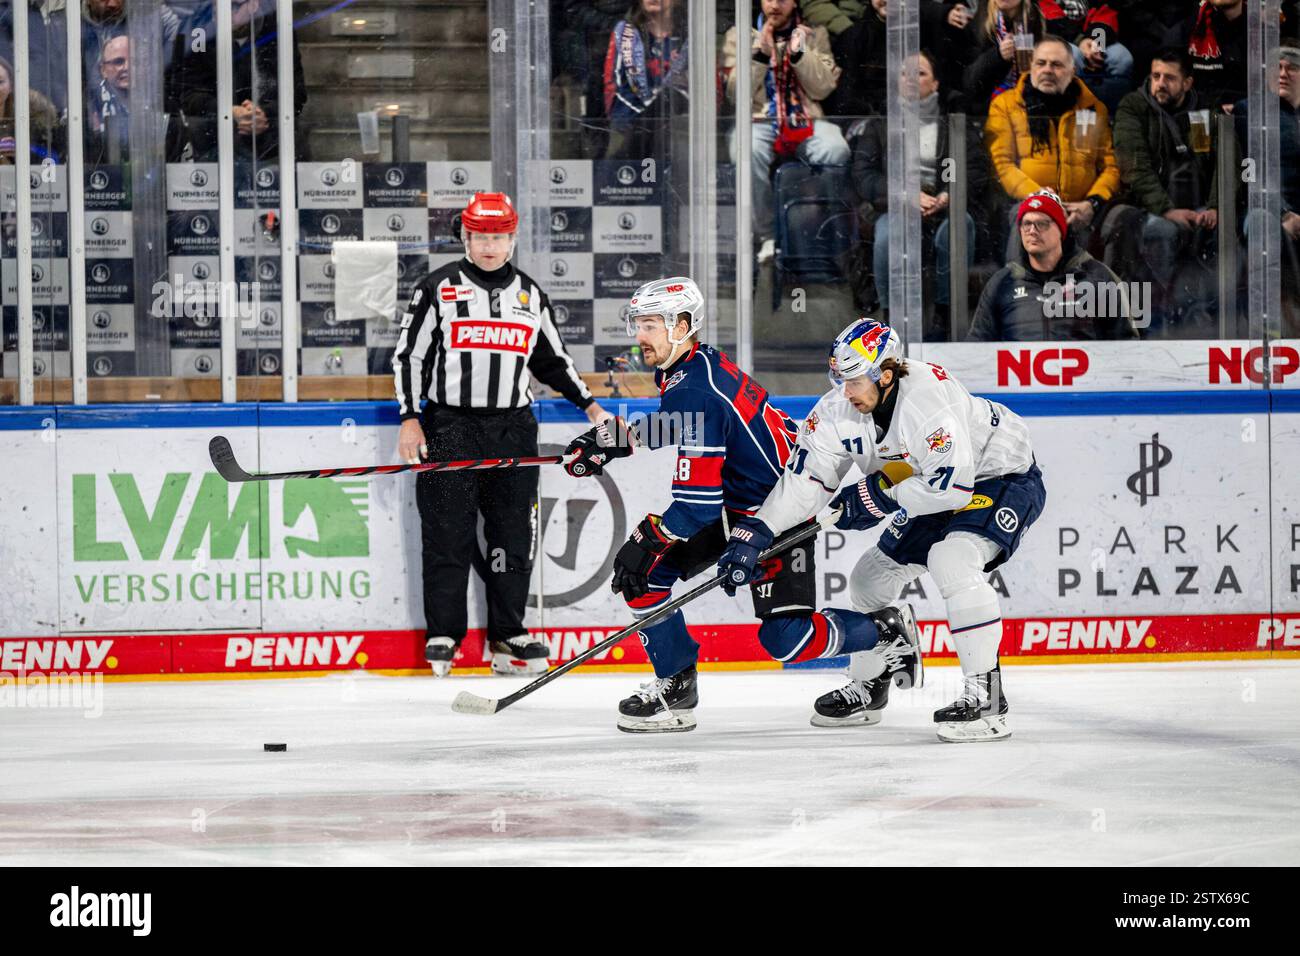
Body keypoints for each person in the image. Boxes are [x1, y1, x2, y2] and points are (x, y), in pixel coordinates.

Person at [562, 277, 922, 733]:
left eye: (650, 325)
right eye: (639, 324)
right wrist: (616, 441)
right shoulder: (694, 364)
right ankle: (676, 685)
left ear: (683, 325)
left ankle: (885, 629)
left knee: (784, 640)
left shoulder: (695, 386)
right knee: (643, 576)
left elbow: (695, 507)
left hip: (779, 509)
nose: (639, 336)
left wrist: (645, 537)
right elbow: (687, 425)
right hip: (736, 504)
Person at [719, 319, 1045, 742]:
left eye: (854, 381)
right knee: (868, 580)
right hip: (926, 482)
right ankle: (873, 685)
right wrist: (758, 532)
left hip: (999, 476)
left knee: (952, 559)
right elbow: (805, 483)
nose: (846, 391)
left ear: (886, 374)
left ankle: (987, 698)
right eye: (840, 379)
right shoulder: (837, 411)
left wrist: (878, 497)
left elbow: (954, 487)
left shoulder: (929, 398)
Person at [392, 192, 609, 678]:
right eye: (480, 236)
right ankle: (444, 634)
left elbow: (554, 360)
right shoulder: (438, 288)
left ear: (512, 238)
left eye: (498, 236)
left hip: (513, 430)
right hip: (449, 426)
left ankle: (508, 634)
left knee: (513, 536)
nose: (489, 246)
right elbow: (409, 356)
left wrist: (592, 407)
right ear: (465, 237)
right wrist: (410, 418)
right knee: (446, 535)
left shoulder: (530, 295)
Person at [849, 49, 984, 331]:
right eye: (904, 73)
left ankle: (947, 314)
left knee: (959, 228)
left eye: (920, 73)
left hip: (943, 204)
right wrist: (904, 195)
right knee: (887, 236)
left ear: (935, 84)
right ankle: (889, 317)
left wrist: (949, 196)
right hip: (896, 206)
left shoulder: (954, 124)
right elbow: (864, 176)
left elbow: (974, 171)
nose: (911, 79)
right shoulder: (880, 124)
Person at [722, 0, 850, 263]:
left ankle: (819, 230)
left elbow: (823, 89)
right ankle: (767, 235)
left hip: (806, 118)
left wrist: (799, 55)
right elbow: (735, 94)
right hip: (759, 119)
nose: (775, 5)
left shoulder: (815, 33)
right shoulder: (739, 36)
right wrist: (760, 55)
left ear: (794, 2)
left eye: (782, 0)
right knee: (746, 150)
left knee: (836, 148)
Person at [1106, 47, 1220, 336]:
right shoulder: (1133, 107)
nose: (1160, 83)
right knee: (1161, 231)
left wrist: (1216, 206)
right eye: (1155, 76)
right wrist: (1166, 209)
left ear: (1187, 83)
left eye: (1169, 78)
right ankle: (1162, 317)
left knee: (1225, 234)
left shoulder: (1206, 109)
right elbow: (1134, 166)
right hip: (1151, 209)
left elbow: (1226, 162)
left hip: (1201, 207)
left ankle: (1210, 315)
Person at [985, 34, 1120, 253]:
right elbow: (1002, 165)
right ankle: (1021, 287)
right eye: (1041, 63)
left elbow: (1110, 167)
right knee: (1032, 219)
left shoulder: (1094, 108)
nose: (1047, 70)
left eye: (1057, 65)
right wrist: (1043, 200)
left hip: (1079, 211)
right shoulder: (1005, 105)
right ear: (1031, 67)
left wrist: (1091, 204)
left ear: (1072, 71)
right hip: (1028, 202)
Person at [968, 188, 1138, 339]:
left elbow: (1126, 348)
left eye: (1041, 224)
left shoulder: (1098, 277)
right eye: (1026, 224)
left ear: (1061, 230)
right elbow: (977, 349)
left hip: (1085, 375)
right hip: (1019, 375)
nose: (1032, 231)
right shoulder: (1002, 282)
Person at [166, 0, 308, 161]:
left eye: (233, 6)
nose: (222, 12)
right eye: (216, 5)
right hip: (211, 139)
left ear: (254, 5)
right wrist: (229, 112)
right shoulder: (196, 28)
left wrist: (264, 113)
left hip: (268, 140)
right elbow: (186, 93)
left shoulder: (278, 27)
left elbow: (295, 93)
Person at [601, 0, 688, 160]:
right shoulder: (626, 33)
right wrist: (646, 116)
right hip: (630, 123)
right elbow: (615, 85)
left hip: (676, 126)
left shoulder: (688, 37)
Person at [0, 54, 62, 163]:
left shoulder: (28, 117)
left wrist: (22, 150)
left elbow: (54, 159)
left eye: (0, 82)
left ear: (11, 86)